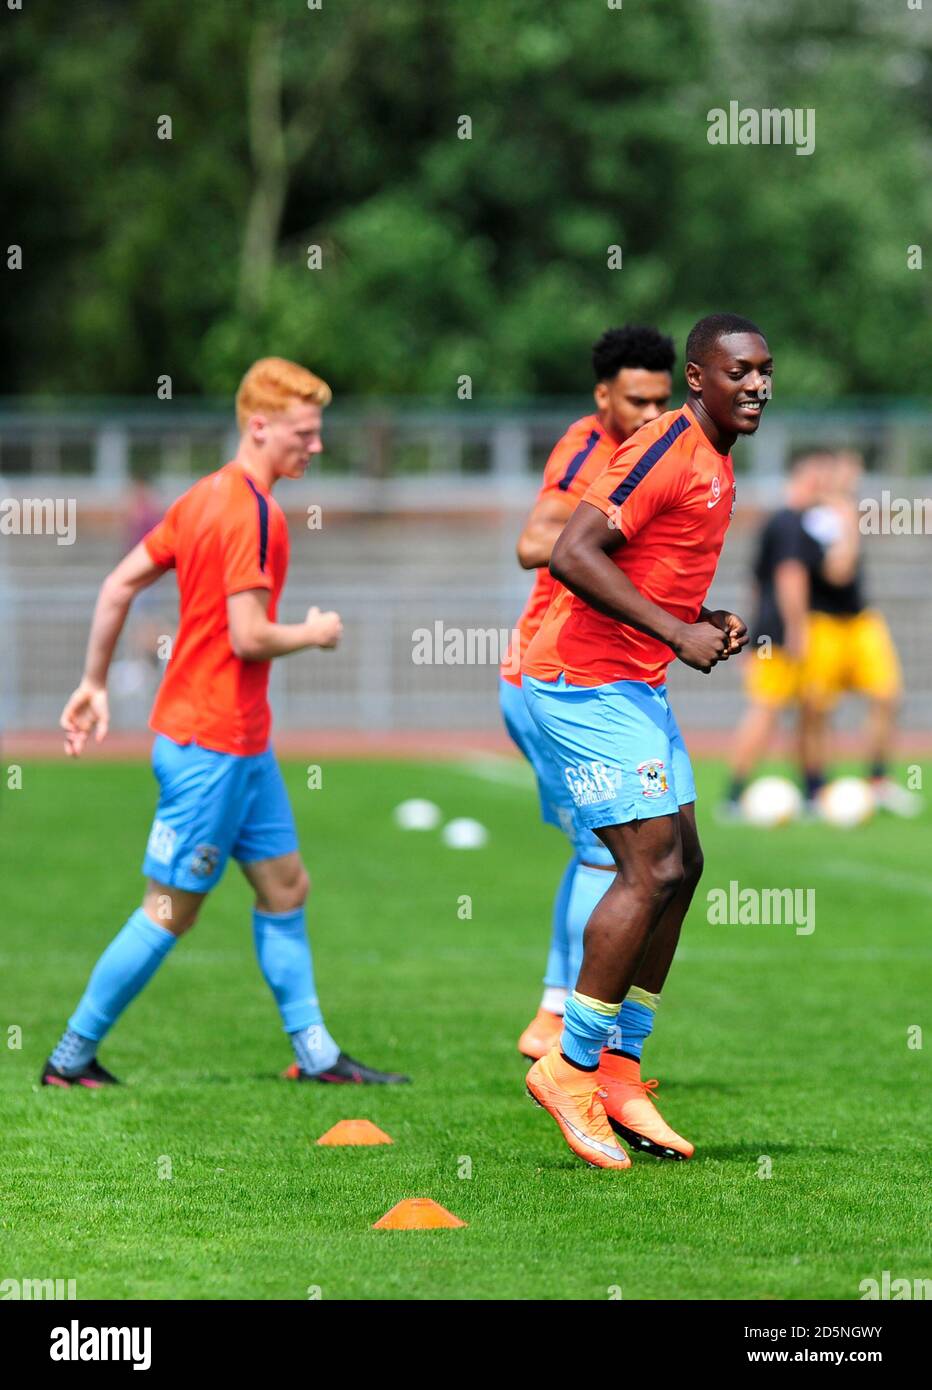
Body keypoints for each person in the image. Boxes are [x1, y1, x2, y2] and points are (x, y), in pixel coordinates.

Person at [44, 357, 409, 1088]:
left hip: (241, 744)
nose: (317, 447)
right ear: (259, 426)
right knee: (169, 910)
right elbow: (248, 635)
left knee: (285, 887)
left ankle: (316, 1057)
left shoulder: (202, 496)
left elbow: (119, 583)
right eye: (305, 434)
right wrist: (313, 631)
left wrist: (92, 682)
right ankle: (69, 1058)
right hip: (209, 745)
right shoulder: (250, 510)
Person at [521, 313, 771, 1168]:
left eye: (765, 371)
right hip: (583, 681)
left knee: (685, 864)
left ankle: (622, 1071)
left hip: (634, 682)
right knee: (649, 864)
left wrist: (701, 621)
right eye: (738, 371)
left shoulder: (718, 465)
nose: (757, 385)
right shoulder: (667, 446)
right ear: (697, 378)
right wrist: (677, 631)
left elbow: (645, 567)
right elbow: (570, 553)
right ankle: (571, 1067)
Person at [500, 326, 675, 1064]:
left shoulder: (651, 445)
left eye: (663, 401)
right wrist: (610, 531)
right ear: (603, 395)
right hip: (558, 681)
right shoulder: (587, 453)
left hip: (588, 679)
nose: (650, 414)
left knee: (609, 855)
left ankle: (553, 1014)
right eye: (637, 400)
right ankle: (571, 1036)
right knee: (619, 862)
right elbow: (534, 541)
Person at [797, 451, 920, 815]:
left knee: (887, 696)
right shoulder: (817, 518)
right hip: (823, 622)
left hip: (861, 619)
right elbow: (839, 572)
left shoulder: (843, 510)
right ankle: (815, 789)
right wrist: (848, 522)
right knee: (817, 708)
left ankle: (879, 780)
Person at [723, 452, 835, 814]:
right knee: (768, 709)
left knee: (807, 709)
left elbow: (757, 582)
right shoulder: (791, 522)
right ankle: (735, 795)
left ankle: (813, 789)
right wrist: (797, 629)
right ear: (807, 478)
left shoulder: (785, 522)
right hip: (784, 632)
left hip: (771, 631)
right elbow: (790, 577)